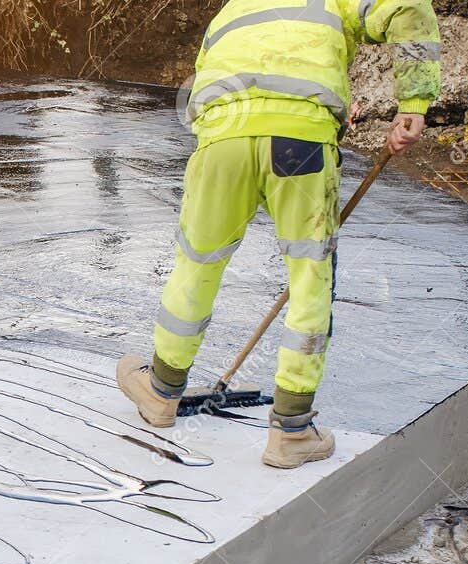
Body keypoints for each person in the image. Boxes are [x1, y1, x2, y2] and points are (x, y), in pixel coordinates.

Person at [117, 0, 442, 468]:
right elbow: (409, 11)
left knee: (197, 263)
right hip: (299, 142)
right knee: (310, 276)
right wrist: (412, 105)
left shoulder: (230, 13)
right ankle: (291, 432)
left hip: (220, 143)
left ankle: (161, 392)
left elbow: (202, 88)